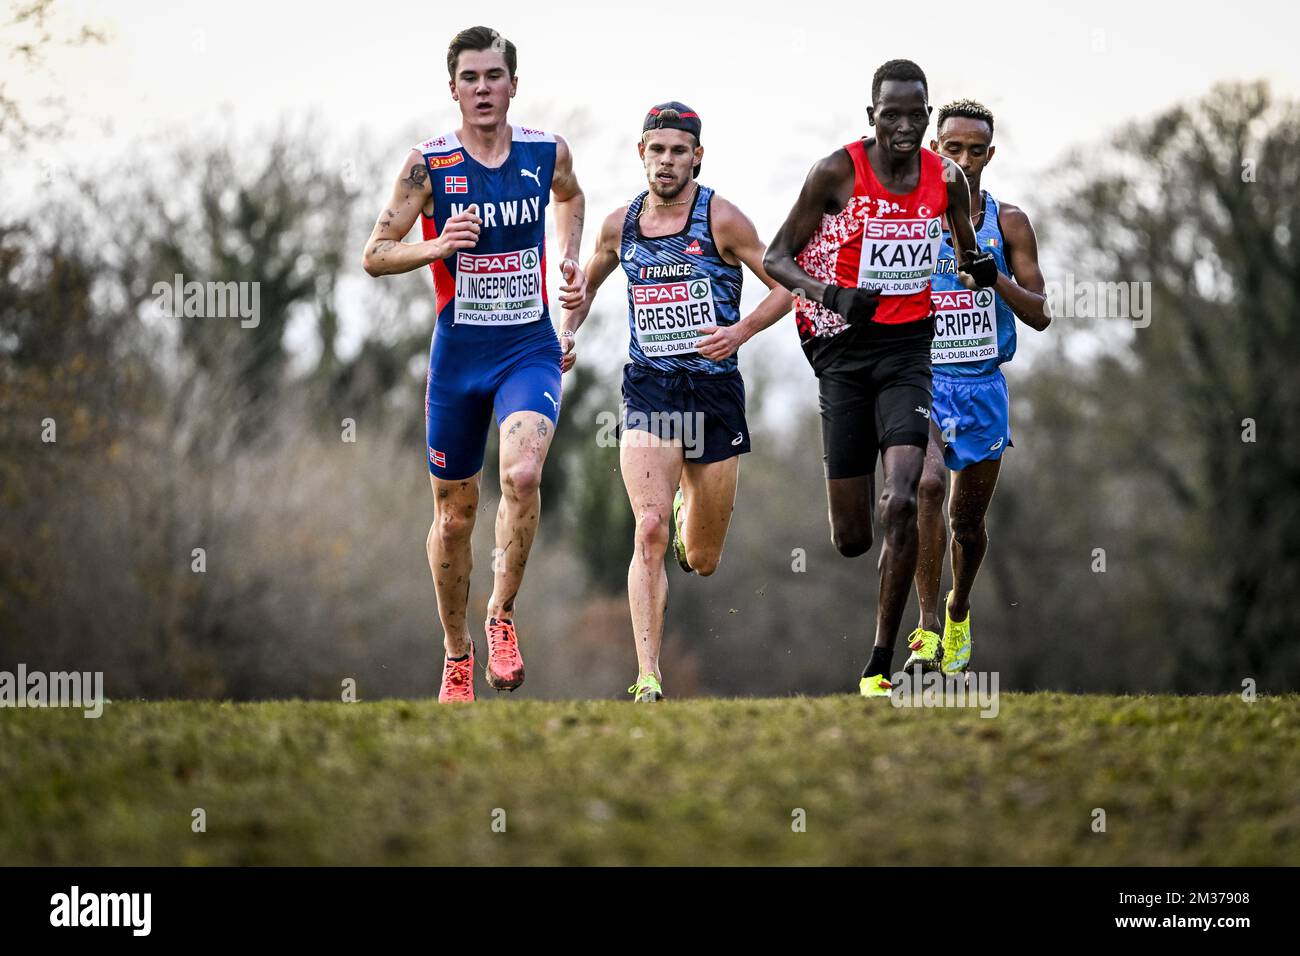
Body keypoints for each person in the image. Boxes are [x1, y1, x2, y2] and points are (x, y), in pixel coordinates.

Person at [362, 25, 587, 702]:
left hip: (528, 349)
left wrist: (570, 258)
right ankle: (457, 652)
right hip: (459, 356)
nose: (483, 89)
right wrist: (436, 249)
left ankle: (501, 617)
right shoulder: (428, 166)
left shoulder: (547, 152)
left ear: (514, 84)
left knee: (522, 472)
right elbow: (374, 253)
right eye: (471, 78)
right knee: (455, 519)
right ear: (452, 87)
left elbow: (571, 197)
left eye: (495, 77)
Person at [763, 60, 995, 698]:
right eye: (889, 113)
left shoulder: (945, 179)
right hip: (840, 349)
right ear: (872, 116)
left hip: (907, 350)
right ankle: (853, 515)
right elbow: (777, 256)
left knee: (904, 496)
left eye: (913, 114)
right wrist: (831, 294)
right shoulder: (836, 172)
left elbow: (966, 244)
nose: (901, 125)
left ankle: (879, 663)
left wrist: (978, 265)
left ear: (926, 116)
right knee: (853, 537)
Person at [560, 103, 792, 701]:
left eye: (678, 151)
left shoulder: (723, 219)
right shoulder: (620, 225)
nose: (666, 161)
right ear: (642, 152)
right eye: (656, 149)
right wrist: (567, 330)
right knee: (650, 528)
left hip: (714, 393)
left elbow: (786, 287)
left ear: (697, 156)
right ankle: (647, 676)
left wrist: (738, 333)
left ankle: (695, 524)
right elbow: (584, 289)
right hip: (649, 390)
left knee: (704, 558)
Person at [911, 98, 1050, 674]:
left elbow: (1041, 314)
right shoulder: (909, 220)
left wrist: (995, 280)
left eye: (975, 150)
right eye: (952, 149)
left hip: (982, 387)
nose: (963, 160)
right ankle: (925, 629)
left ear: (989, 155)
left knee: (966, 525)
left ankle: (959, 607)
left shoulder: (1009, 222)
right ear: (934, 149)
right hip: (922, 380)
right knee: (923, 488)